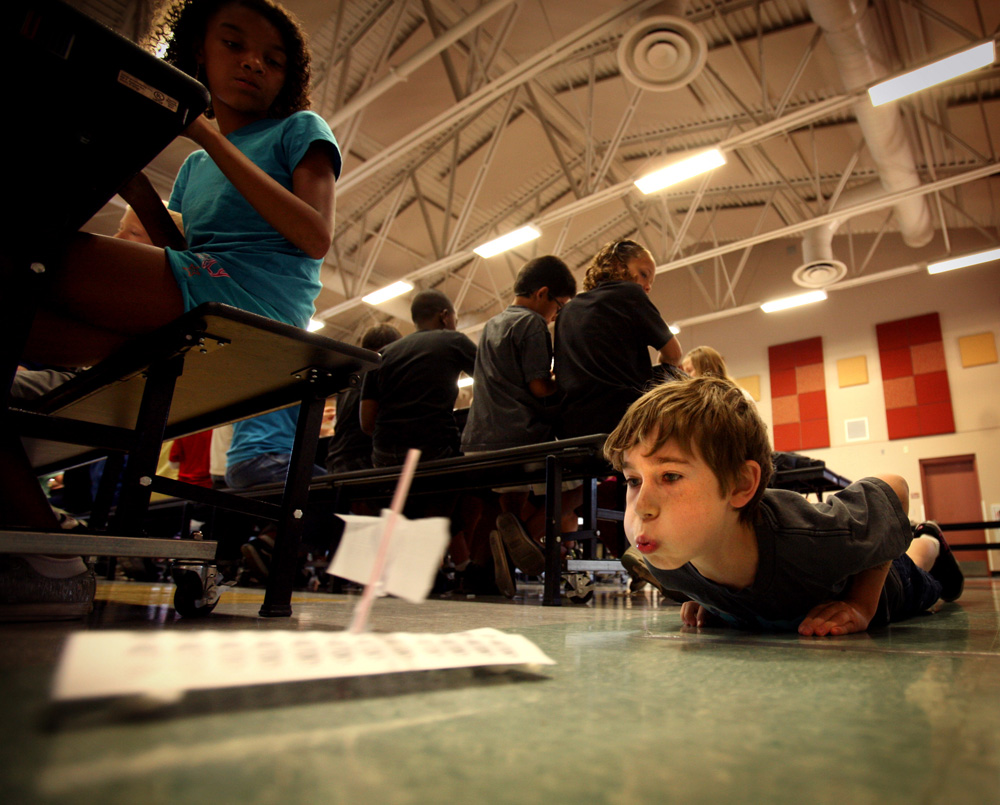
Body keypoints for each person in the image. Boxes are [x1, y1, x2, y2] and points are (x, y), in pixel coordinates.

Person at [1, 0, 340, 618]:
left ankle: (50, 554)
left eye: (273, 59)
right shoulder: (194, 166)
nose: (254, 64)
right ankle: (49, 555)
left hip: (258, 298)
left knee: (36, 253)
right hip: (197, 291)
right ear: (198, 56)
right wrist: (137, 189)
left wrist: (204, 131)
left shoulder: (299, 130)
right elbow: (181, 253)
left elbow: (314, 236)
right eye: (233, 45)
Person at [604, 376, 965, 635]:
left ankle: (928, 541)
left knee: (913, 567)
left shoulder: (812, 537)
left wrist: (860, 605)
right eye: (634, 480)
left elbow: (893, 488)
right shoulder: (664, 558)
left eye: (670, 476)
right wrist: (716, 603)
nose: (642, 507)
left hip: (883, 580)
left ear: (740, 484)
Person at [461, 255, 580, 596]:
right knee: (579, 487)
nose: (556, 315)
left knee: (507, 506)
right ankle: (521, 537)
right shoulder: (532, 324)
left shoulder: (491, 324)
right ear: (542, 293)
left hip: (479, 439)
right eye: (559, 306)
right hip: (518, 437)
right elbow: (539, 387)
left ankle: (496, 562)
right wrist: (566, 381)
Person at [554, 239, 682, 438]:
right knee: (676, 375)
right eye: (644, 274)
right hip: (622, 417)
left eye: (650, 282)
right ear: (617, 265)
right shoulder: (630, 293)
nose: (647, 286)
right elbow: (673, 354)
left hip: (572, 427)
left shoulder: (565, 311)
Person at [360, 290, 476, 467]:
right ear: (444, 316)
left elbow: (367, 422)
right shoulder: (454, 340)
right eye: (455, 320)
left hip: (385, 458)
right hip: (434, 452)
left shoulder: (383, 355)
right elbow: (493, 378)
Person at [326, 324, 402, 474]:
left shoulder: (351, 377)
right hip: (361, 460)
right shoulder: (378, 373)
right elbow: (371, 425)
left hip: (337, 459)